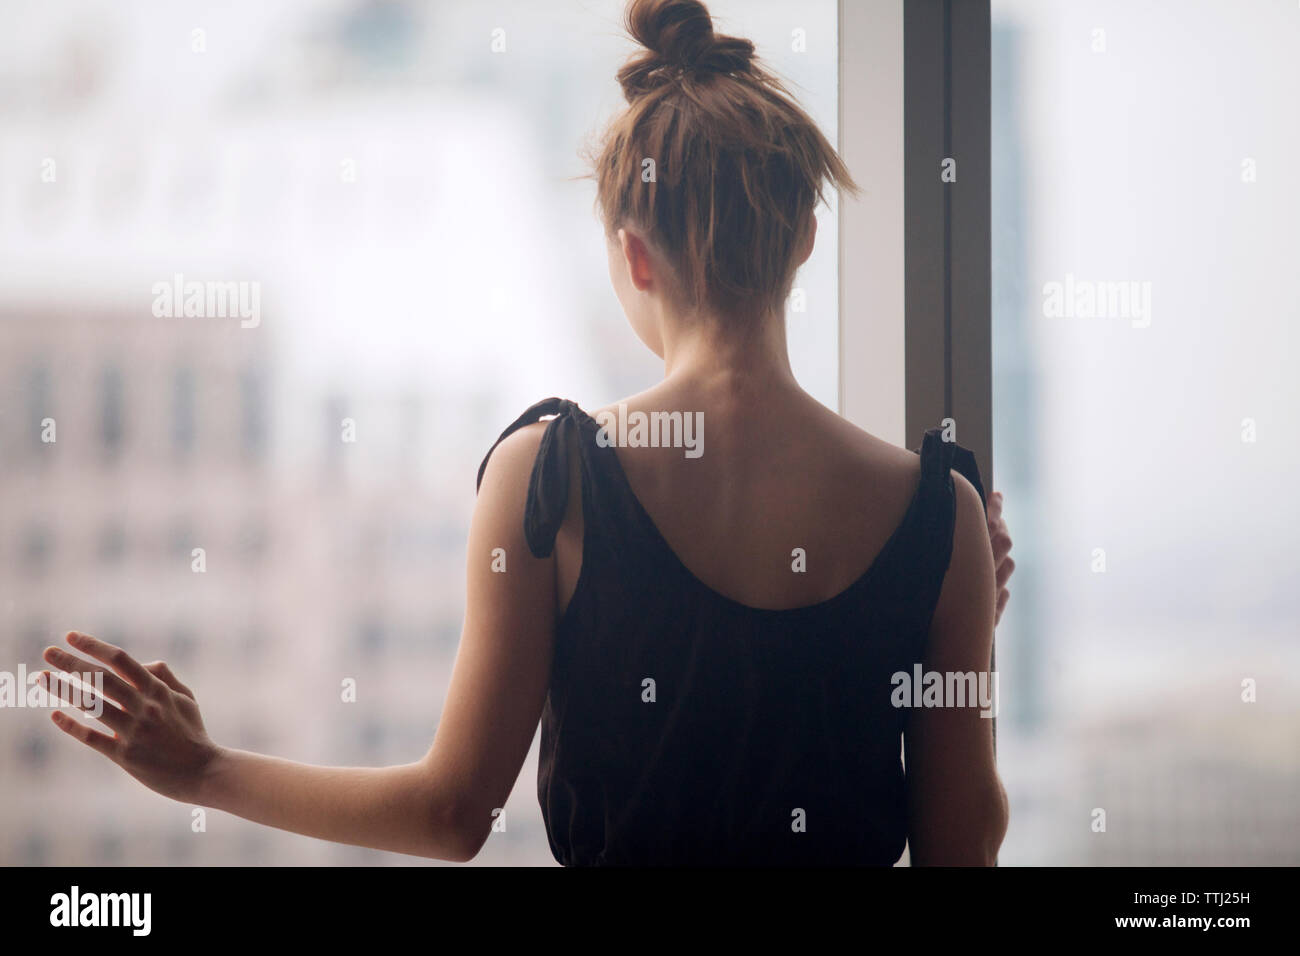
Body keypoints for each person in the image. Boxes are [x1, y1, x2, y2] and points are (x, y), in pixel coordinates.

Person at [40, 0, 1013, 866]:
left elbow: (450, 812)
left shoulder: (550, 477)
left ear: (632, 254)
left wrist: (202, 768)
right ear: (806, 233)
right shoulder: (941, 518)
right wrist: (938, 600)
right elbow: (961, 841)